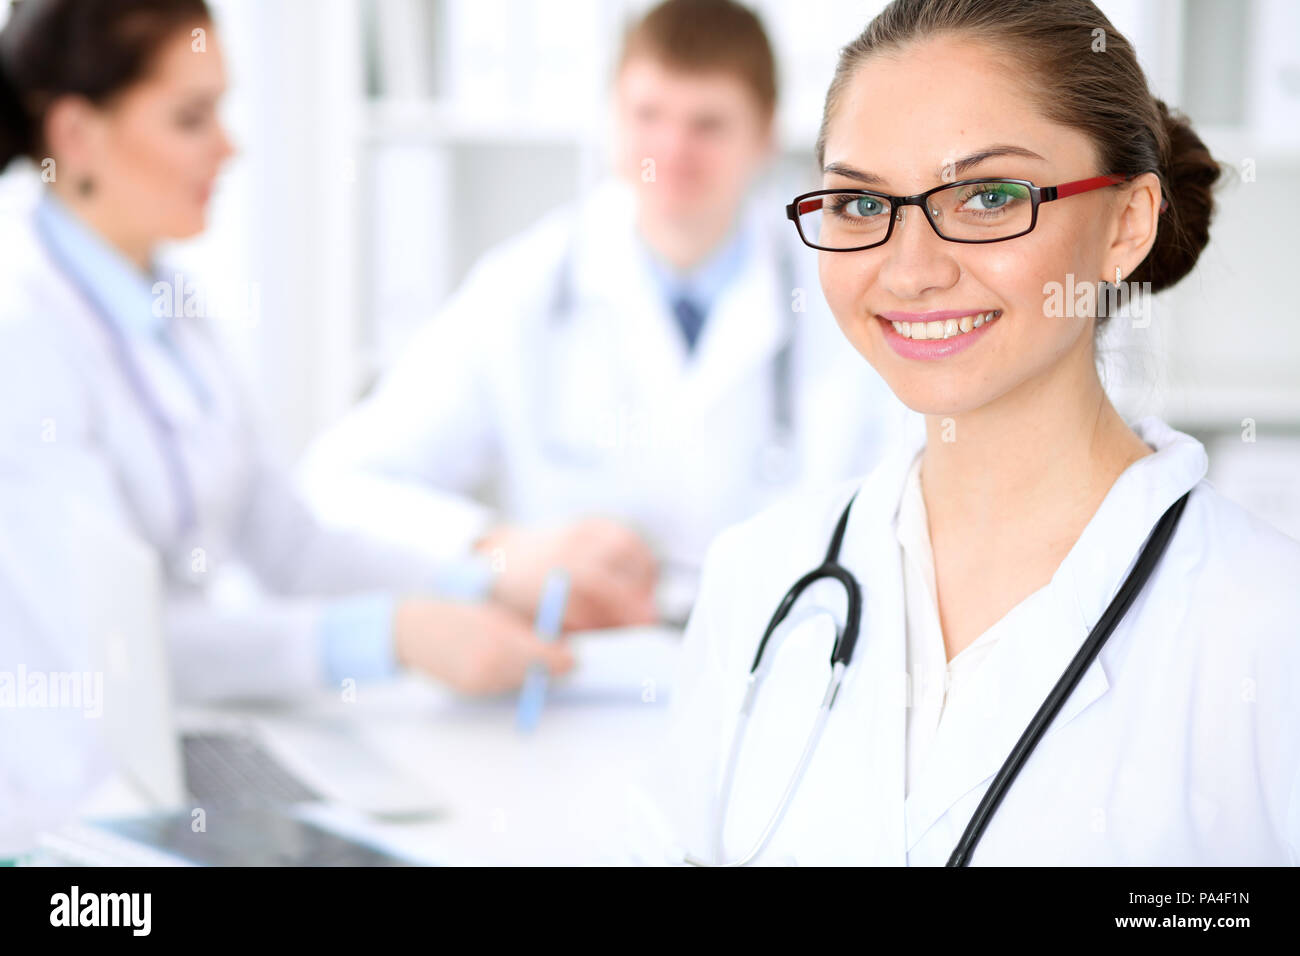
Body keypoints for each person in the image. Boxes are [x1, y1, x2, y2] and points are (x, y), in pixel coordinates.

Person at [652, 0, 1299, 865]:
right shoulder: (757, 579)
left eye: (989, 196)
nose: (912, 269)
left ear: (1127, 224)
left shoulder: (1268, 629)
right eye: (857, 202)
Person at [0, 1, 577, 706]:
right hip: (59, 783)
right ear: (75, 135)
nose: (229, 147)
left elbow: (289, 545)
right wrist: (389, 636)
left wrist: (485, 586)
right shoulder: (22, 332)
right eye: (192, 118)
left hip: (180, 739)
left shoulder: (171, 306)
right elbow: (118, 642)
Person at [300, 0, 910, 626]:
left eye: (708, 124)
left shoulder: (848, 282)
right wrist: (503, 552)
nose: (673, 150)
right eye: (648, 115)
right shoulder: (525, 289)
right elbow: (336, 490)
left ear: (764, 134)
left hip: (797, 664)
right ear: (612, 118)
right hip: (589, 678)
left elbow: (918, 497)